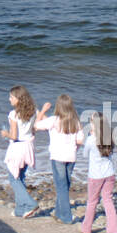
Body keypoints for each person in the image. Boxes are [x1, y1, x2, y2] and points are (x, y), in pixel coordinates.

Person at [35, 94, 83, 223]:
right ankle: (58, 212)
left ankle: (66, 217)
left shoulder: (54, 120)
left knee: (61, 186)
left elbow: (36, 125)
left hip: (58, 157)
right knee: (65, 185)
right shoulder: (75, 122)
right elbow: (80, 140)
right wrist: (74, 149)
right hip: (71, 157)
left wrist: (42, 111)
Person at [0, 85, 39, 219]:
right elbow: (34, 129)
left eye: (11, 97)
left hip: (18, 147)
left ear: (18, 99)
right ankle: (19, 209)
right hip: (28, 146)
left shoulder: (13, 114)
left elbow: (14, 136)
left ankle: (29, 203)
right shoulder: (33, 111)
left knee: (13, 178)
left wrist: (6, 133)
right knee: (21, 176)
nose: (9, 99)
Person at [80, 110, 117, 233]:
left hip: (95, 175)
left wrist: (87, 136)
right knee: (108, 200)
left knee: (92, 202)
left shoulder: (91, 140)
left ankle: (86, 228)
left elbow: (84, 154)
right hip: (109, 173)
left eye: (91, 121)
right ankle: (113, 230)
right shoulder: (108, 136)